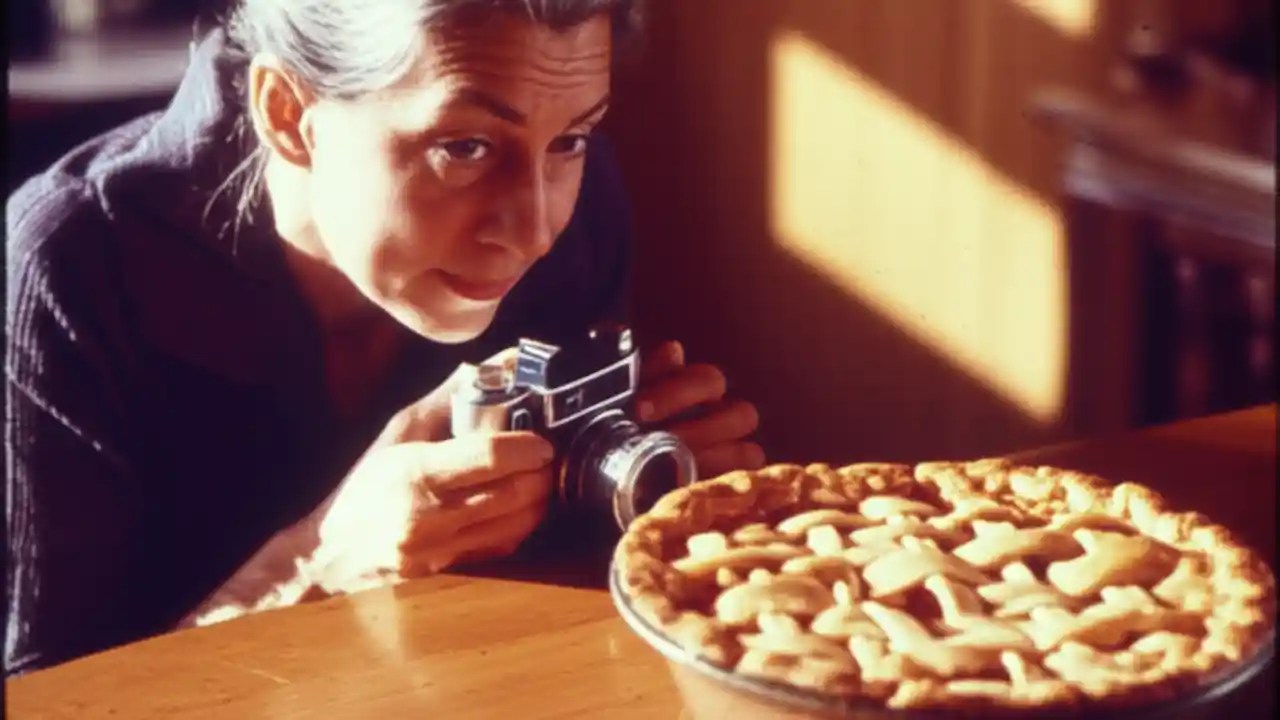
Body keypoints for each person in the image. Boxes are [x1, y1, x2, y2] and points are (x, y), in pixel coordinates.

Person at [5, 0, 764, 676]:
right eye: (465, 147)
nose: (534, 230)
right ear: (287, 113)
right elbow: (50, 703)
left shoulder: (582, 201)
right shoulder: (67, 274)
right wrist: (318, 567)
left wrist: (642, 505)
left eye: (571, 138)